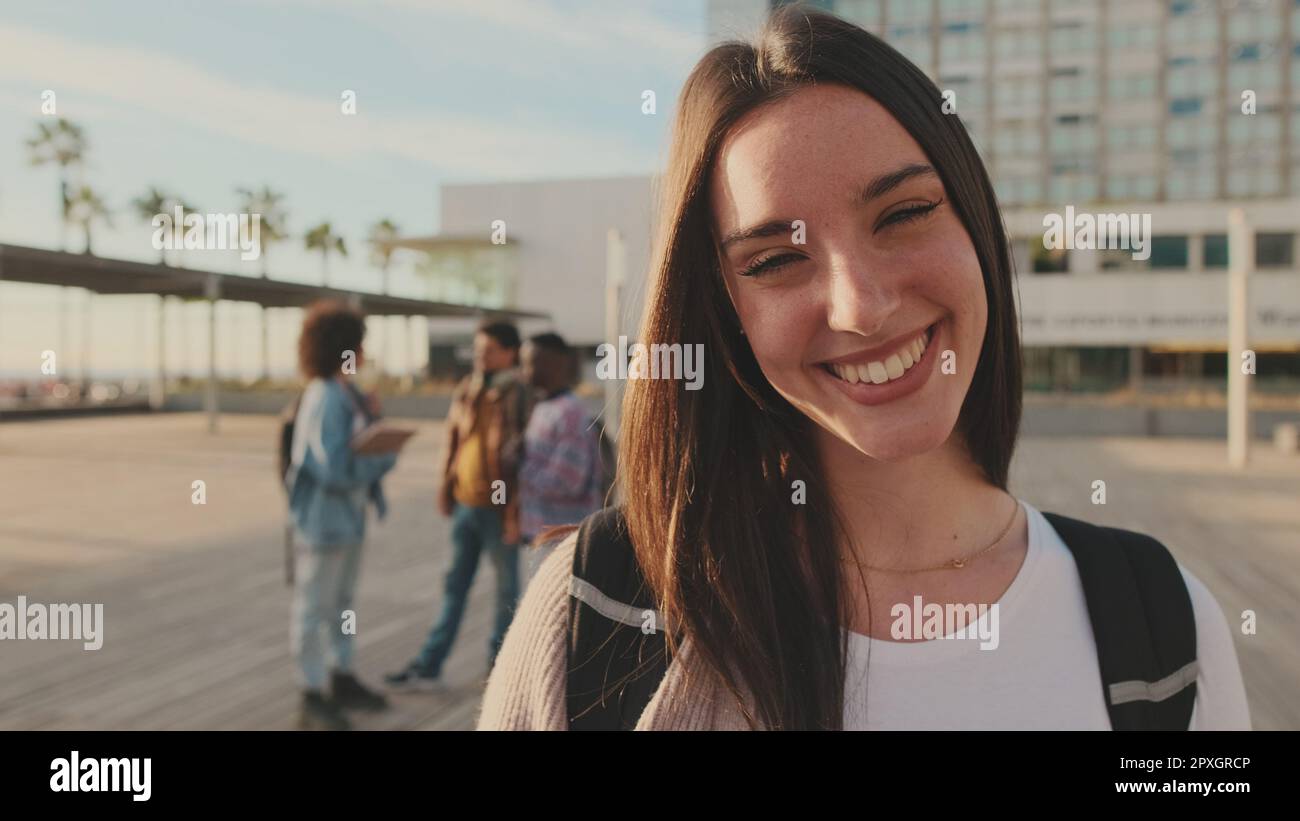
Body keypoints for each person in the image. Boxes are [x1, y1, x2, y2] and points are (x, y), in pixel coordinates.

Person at [477, 7, 1250, 730]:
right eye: (777, 260)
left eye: (905, 213)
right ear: (726, 317)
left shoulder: (1161, 630)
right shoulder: (600, 608)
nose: (862, 308)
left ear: (976, 220)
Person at [386, 320, 529, 689]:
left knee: (506, 593)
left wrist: (515, 514)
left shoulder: (521, 394)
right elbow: (453, 440)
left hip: (500, 511)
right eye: (478, 350)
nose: (481, 356)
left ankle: (500, 670)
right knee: (453, 587)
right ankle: (428, 665)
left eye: (489, 350)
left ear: (509, 352)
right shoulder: (468, 389)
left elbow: (525, 461)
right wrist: (444, 487)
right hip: (466, 504)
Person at [285, 300, 397, 731]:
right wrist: (381, 458)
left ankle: (340, 673)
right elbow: (332, 466)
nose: (363, 354)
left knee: (341, 603)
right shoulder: (326, 397)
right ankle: (312, 691)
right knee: (314, 606)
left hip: (346, 520)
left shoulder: (344, 394)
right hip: (323, 523)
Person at [517, 332, 605, 592]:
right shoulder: (544, 406)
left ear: (551, 364)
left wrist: (520, 465)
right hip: (542, 540)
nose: (523, 371)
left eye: (528, 363)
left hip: (563, 546)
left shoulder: (570, 413)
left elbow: (567, 483)